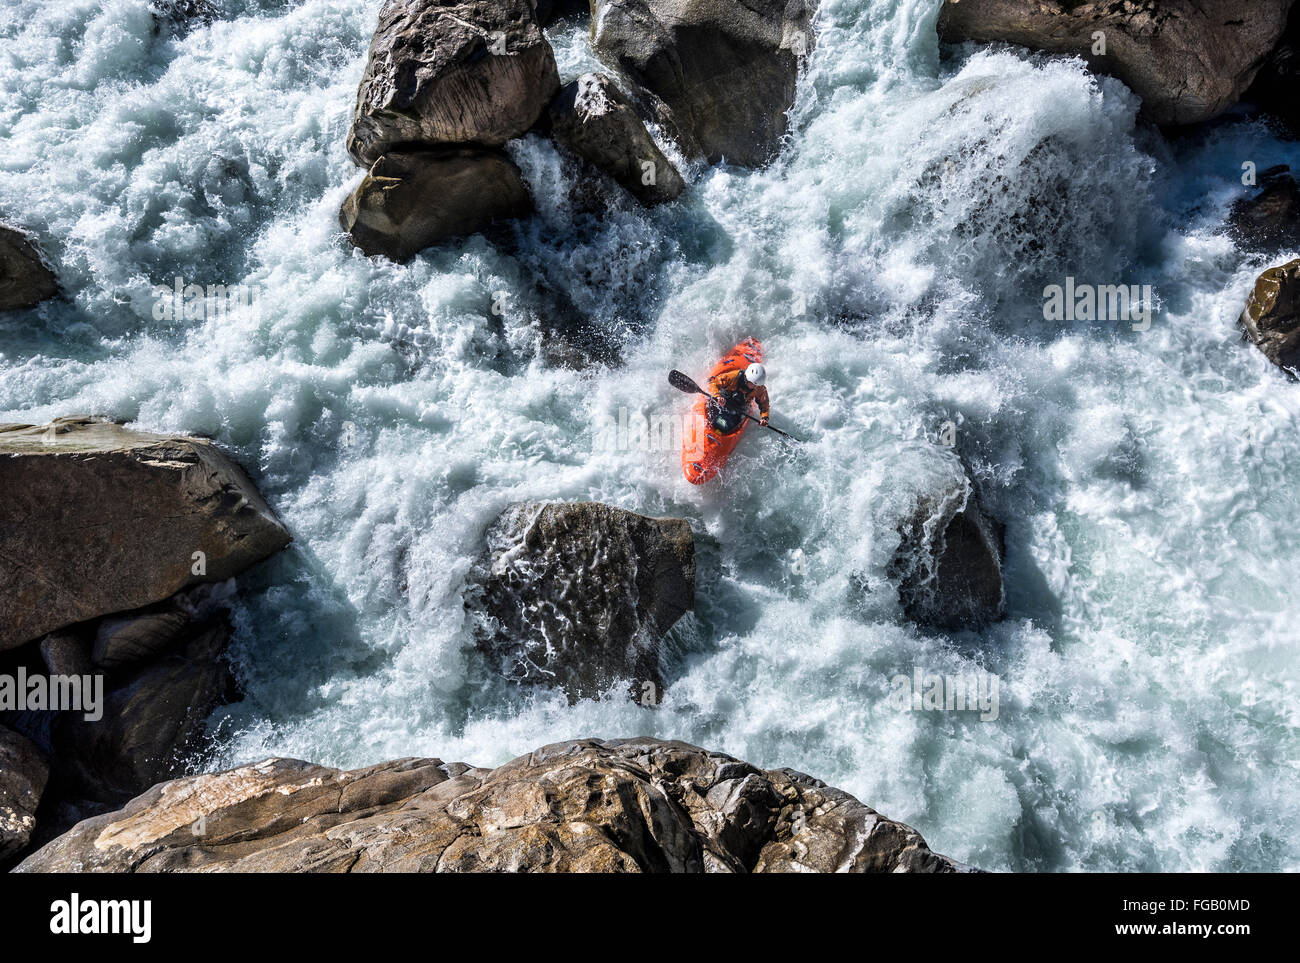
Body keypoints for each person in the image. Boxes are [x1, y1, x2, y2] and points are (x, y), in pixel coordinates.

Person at [707, 362, 769, 434]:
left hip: (739, 409)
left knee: (726, 426)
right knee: (712, 415)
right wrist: (717, 396)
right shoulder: (734, 376)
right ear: (747, 379)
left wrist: (764, 418)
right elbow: (713, 383)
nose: (755, 387)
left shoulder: (760, 388)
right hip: (724, 400)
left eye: (757, 385)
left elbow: (765, 405)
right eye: (753, 384)